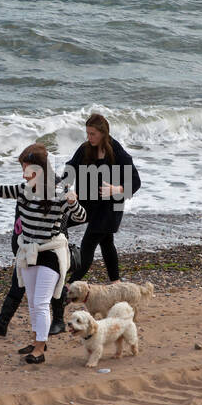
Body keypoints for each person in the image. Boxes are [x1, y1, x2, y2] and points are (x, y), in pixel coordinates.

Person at [0, 144, 85, 363]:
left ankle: (40, 350)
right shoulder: (24, 190)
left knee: (41, 302)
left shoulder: (58, 193)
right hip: (28, 252)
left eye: (28, 170)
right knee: (33, 301)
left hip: (50, 253)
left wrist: (73, 202)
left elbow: (80, 217)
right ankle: (37, 341)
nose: (24, 175)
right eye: (23, 170)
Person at [65, 113, 141, 282]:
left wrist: (117, 189)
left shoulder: (117, 152)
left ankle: (68, 287)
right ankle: (116, 282)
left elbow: (136, 182)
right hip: (87, 204)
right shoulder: (85, 148)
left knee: (88, 245)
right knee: (63, 224)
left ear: (103, 133)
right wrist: (65, 186)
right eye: (88, 133)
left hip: (109, 210)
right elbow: (71, 167)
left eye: (93, 134)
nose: (89, 137)